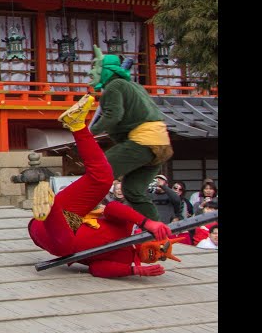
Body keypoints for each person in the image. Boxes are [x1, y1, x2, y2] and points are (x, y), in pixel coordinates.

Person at [29, 94, 176, 279]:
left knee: (68, 245)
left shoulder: (124, 259)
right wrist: (146, 222)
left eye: (162, 256)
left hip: (53, 235)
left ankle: (49, 210)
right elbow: (113, 207)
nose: (159, 252)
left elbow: (97, 269)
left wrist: (134, 270)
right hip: (71, 216)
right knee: (103, 178)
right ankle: (77, 124)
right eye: (163, 247)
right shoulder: (128, 227)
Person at [87, 46, 172, 222]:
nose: (90, 73)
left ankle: (80, 214)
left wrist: (88, 133)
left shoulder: (114, 87)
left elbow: (113, 116)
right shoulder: (134, 86)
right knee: (133, 190)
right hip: (161, 143)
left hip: (143, 141)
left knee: (99, 170)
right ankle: (155, 229)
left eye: (94, 67)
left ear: (105, 70)